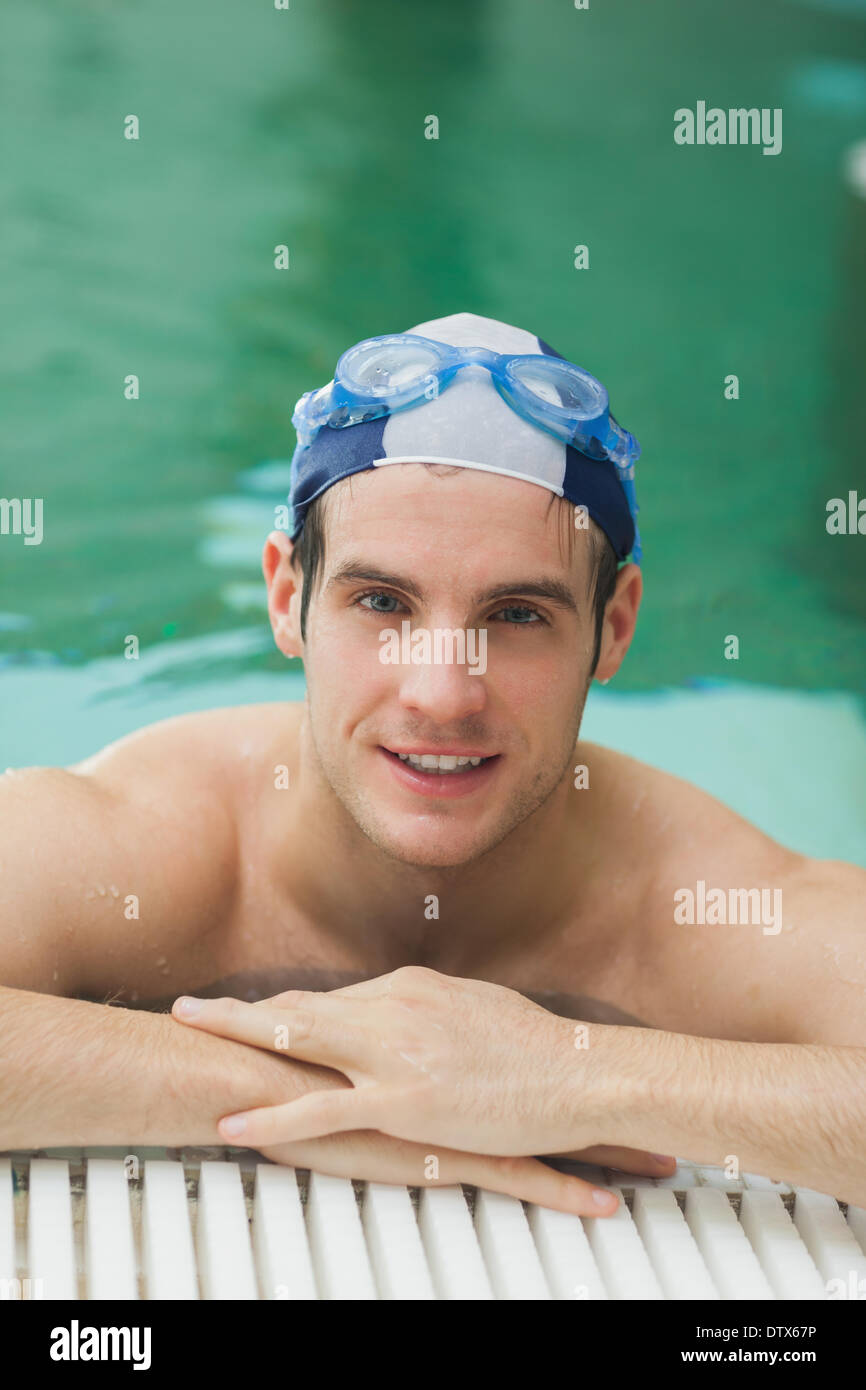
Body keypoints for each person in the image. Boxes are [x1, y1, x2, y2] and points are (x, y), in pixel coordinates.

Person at [2, 313, 863, 1218]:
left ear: (613, 628)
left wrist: (572, 1074)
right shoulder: (149, 839)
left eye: (518, 615)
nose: (444, 694)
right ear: (288, 599)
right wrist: (338, 1095)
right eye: (382, 601)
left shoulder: (697, 904)